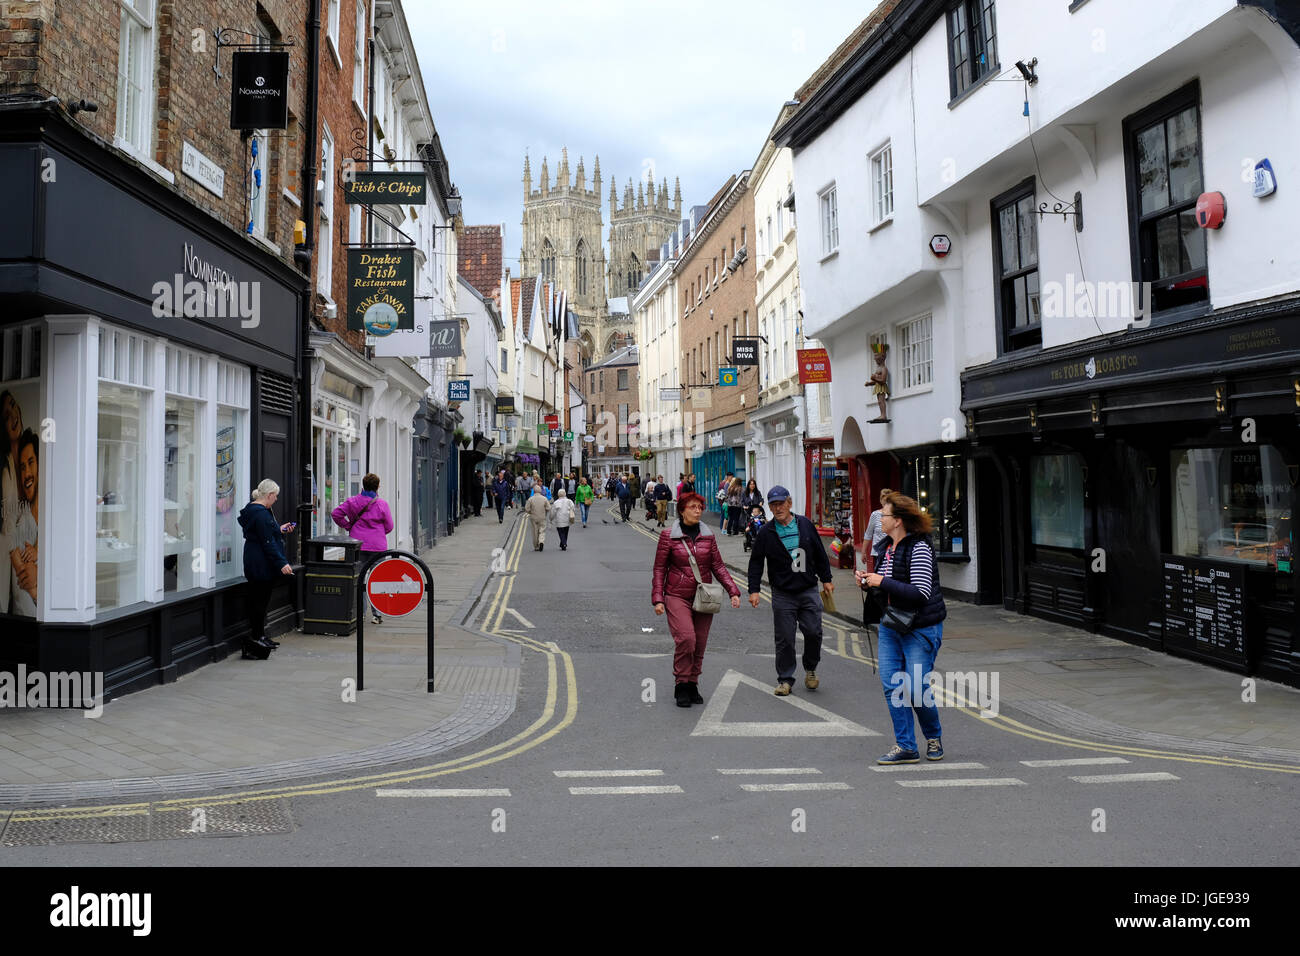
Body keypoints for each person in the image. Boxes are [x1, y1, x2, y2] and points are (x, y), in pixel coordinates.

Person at [858, 492, 947, 764]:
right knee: (892, 685)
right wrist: (868, 582)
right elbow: (887, 584)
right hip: (892, 625)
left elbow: (920, 592)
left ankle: (932, 736)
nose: (879, 519)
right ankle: (906, 745)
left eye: (883, 515)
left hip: (920, 628)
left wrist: (880, 581)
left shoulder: (919, 547)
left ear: (897, 520)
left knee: (917, 688)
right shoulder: (886, 546)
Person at [651, 492, 742, 708]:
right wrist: (658, 598)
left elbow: (718, 566)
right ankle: (681, 684)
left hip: (704, 597)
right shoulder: (668, 536)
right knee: (687, 639)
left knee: (699, 644)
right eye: (692, 507)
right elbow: (659, 568)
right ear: (682, 510)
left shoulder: (708, 536)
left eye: (700, 507)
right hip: (676, 595)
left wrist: (734, 591)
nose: (698, 511)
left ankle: (693, 683)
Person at [747, 485, 834, 696]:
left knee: (814, 633)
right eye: (773, 505)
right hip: (783, 593)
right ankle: (785, 679)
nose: (778, 508)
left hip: (808, 590)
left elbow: (820, 553)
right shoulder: (766, 533)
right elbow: (756, 562)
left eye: (781, 503)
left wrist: (827, 579)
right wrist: (754, 590)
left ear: (790, 503)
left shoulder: (804, 524)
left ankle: (811, 668)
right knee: (785, 638)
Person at [238, 479, 295, 659]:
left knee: (260, 601)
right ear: (269, 495)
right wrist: (282, 563)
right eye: (275, 496)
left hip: (255, 559)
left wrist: (279, 530)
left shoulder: (255, 511)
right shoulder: (261, 514)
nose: (276, 499)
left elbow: (265, 534)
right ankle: (257, 637)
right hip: (261, 562)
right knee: (260, 602)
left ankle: (260, 635)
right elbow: (267, 542)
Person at [332, 473, 395, 624]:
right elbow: (389, 526)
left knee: (359, 579)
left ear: (363, 485)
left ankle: (360, 612)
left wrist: (348, 526)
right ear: (377, 487)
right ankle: (377, 615)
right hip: (377, 547)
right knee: (377, 579)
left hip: (357, 545)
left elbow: (336, 514)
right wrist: (378, 533)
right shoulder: (382, 504)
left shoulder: (353, 501)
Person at [8, 429, 38, 616]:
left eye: (31, 463)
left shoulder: (53, 518)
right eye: (22, 467)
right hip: (25, 626)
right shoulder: (20, 523)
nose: (26, 472)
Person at [0, 389, 25, 615]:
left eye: (13, 407)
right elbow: (8, 520)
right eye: (5, 415)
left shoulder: (30, 457)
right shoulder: (4, 465)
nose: (12, 416)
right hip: (6, 548)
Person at [862, 488, 893, 573]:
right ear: (880, 501)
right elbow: (868, 534)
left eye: (888, 501)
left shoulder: (895, 515)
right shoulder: (875, 515)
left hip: (891, 552)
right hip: (877, 553)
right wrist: (863, 552)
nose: (885, 503)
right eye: (884, 501)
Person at [525, 482, 551, 550]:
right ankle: (541, 541)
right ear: (540, 490)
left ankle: (536, 546)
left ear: (534, 491)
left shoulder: (530, 499)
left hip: (533, 517)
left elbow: (526, 509)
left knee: (535, 532)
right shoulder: (544, 498)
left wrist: (530, 512)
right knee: (542, 530)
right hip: (542, 517)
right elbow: (548, 508)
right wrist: (545, 511)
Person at [551, 487, 577, 551]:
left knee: (561, 532)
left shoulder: (556, 502)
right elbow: (573, 508)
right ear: (565, 494)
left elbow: (553, 512)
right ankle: (563, 543)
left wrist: (551, 518)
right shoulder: (569, 501)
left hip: (559, 519)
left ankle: (564, 543)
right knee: (565, 532)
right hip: (567, 519)